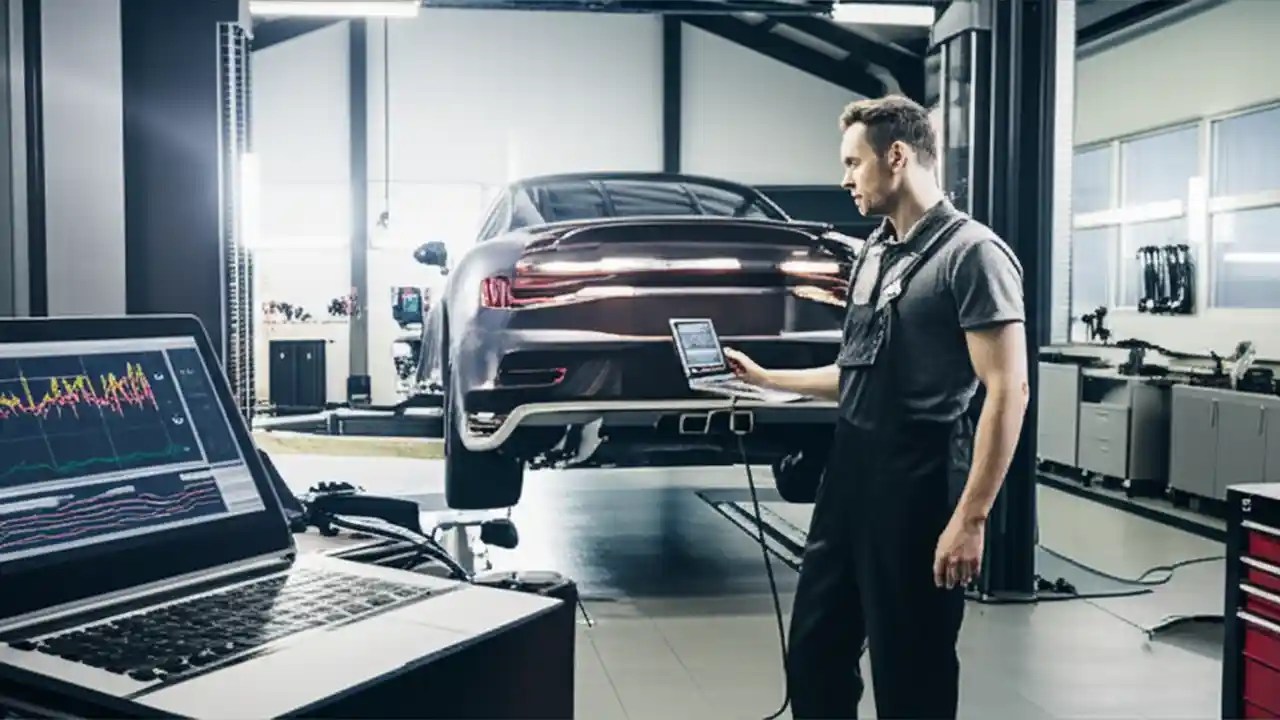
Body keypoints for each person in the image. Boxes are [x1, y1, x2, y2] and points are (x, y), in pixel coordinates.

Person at [724, 95, 1029, 719]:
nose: (844, 179)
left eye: (852, 163)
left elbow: (1008, 389)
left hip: (921, 482)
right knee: (814, 656)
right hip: (850, 476)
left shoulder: (972, 255)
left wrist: (971, 518)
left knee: (909, 670)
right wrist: (766, 378)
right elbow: (858, 373)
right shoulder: (874, 253)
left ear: (896, 156)